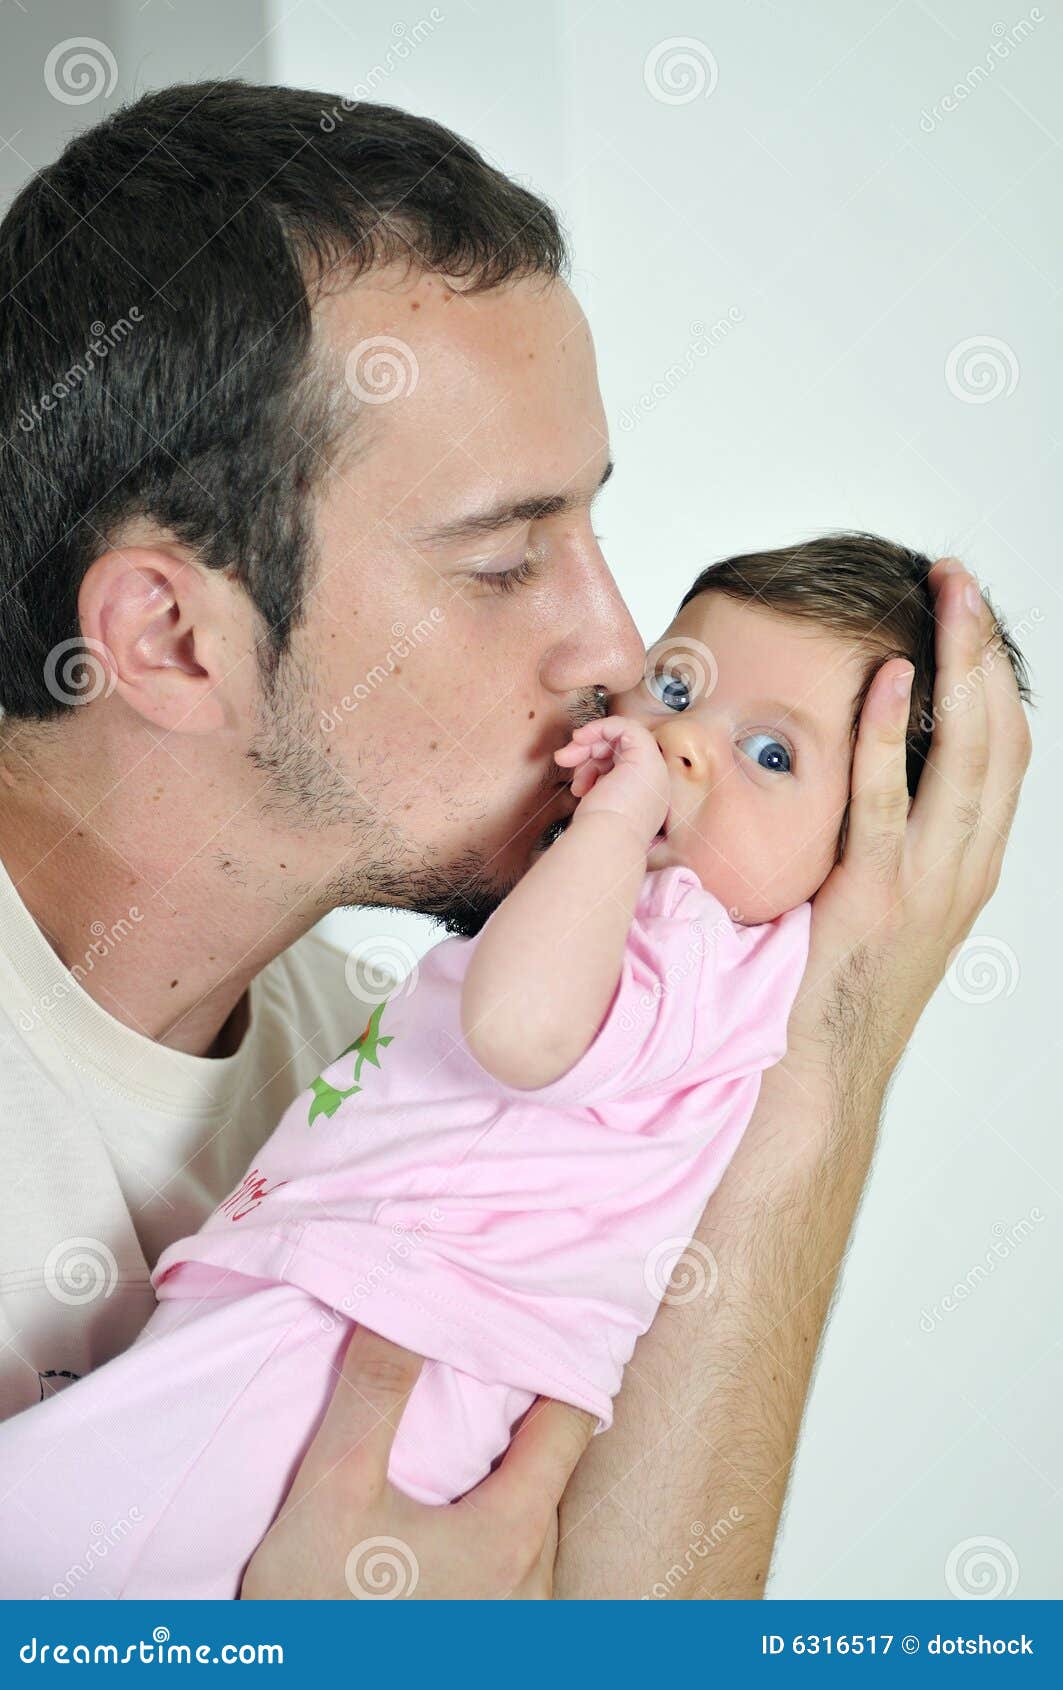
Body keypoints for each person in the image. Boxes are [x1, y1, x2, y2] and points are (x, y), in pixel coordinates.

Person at [0, 82, 1032, 1599]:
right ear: (168, 636)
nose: (620, 649)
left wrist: (825, 1052)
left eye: (596, 537)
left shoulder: (402, 1091)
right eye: (505, 563)